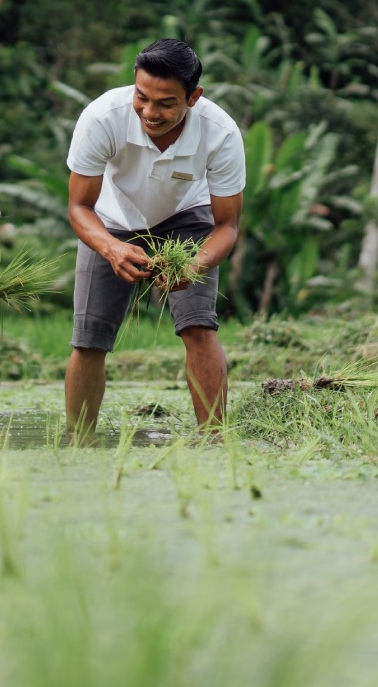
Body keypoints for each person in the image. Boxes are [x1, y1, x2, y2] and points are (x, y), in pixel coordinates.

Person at [64, 38, 246, 436]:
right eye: (141, 97)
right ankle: (78, 442)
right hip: (110, 220)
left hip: (187, 218)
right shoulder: (101, 118)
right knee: (89, 338)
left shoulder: (221, 133)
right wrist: (111, 248)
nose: (149, 112)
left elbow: (227, 226)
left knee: (198, 326)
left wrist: (196, 265)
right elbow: (78, 207)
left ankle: (214, 440)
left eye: (166, 103)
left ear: (194, 97)